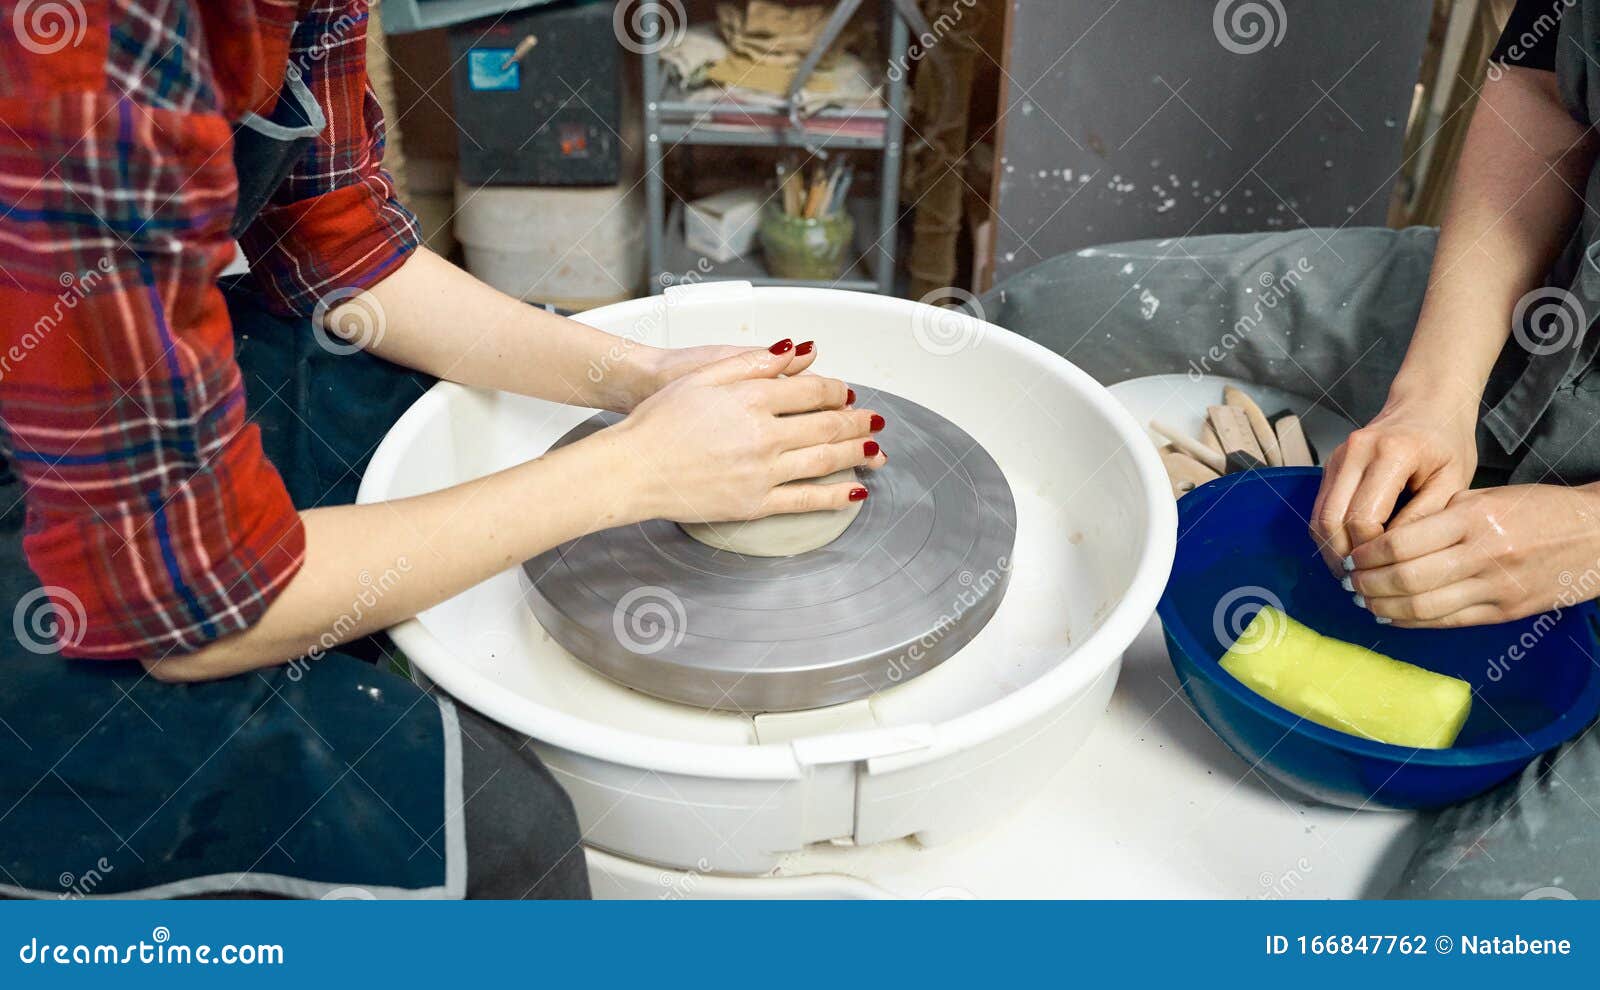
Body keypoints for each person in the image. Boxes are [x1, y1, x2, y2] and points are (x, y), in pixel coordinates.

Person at [0, 3, 885, 899]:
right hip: (52, 525)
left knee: (416, 413)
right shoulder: (92, 44)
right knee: (494, 836)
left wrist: (639, 377)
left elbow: (338, 246)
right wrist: (638, 469)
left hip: (110, 382)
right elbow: (189, 612)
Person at [982, 0, 1600, 898]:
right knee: (1054, 314)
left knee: (1472, 934)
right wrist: (1432, 398)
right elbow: (1546, 91)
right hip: (1552, 293)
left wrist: (1588, 538)